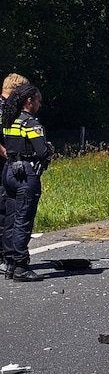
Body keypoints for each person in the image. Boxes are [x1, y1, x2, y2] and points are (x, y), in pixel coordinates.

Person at [2, 82, 52, 282]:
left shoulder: (10, 121)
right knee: (24, 220)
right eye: (38, 100)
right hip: (27, 174)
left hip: (9, 172)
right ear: (29, 101)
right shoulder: (32, 124)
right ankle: (22, 266)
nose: (40, 104)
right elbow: (42, 152)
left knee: (10, 219)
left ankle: (10, 264)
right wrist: (49, 147)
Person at [0, 72, 28, 263]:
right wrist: (8, 153)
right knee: (5, 209)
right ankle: (5, 255)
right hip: (4, 164)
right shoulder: (3, 108)